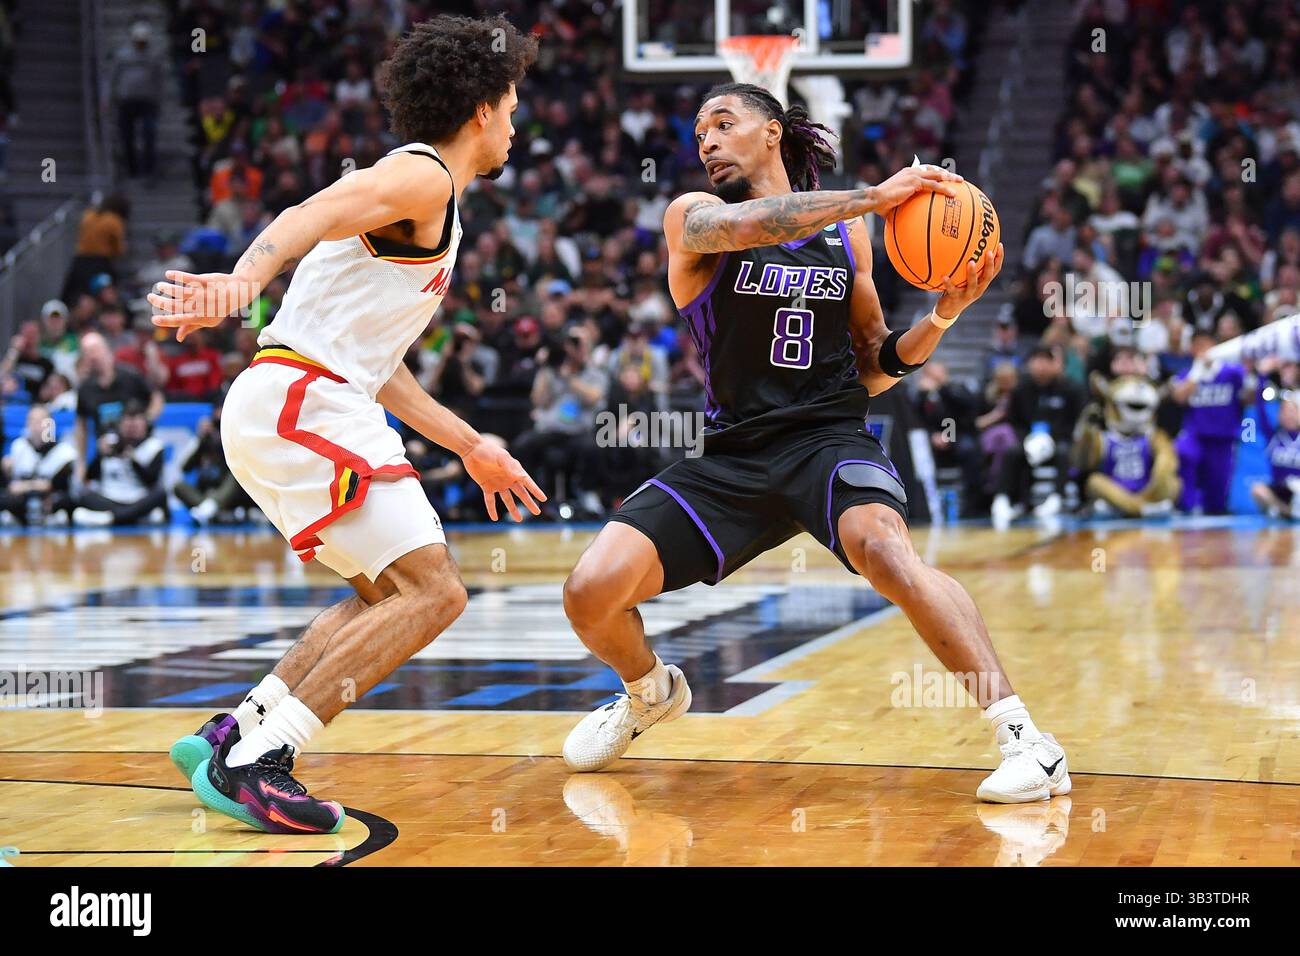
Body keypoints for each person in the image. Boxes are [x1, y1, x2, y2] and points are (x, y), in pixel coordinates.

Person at [559, 82, 1070, 804]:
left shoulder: (848, 238)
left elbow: (874, 363)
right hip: (732, 454)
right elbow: (750, 226)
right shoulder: (692, 217)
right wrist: (872, 196)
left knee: (886, 550)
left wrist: (942, 318)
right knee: (589, 594)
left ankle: (1027, 741)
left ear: (773, 131)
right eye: (699, 133)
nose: (707, 142)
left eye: (723, 124)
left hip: (827, 438)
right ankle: (649, 692)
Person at [148, 14, 543, 835]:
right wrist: (243, 280)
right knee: (435, 592)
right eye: (511, 105)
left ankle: (238, 729)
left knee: (386, 595)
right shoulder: (423, 175)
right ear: (481, 109)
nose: (516, 122)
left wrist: (471, 445)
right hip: (304, 399)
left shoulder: (428, 201)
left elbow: (380, 365)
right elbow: (315, 207)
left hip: (299, 398)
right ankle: (261, 762)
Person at [989, 345, 1086, 528]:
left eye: (1045, 360)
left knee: (1064, 453)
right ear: (1030, 364)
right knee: (1012, 452)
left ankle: (1056, 498)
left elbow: (1076, 420)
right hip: (1029, 439)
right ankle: (1004, 499)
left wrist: (1052, 439)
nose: (1041, 366)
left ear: (1054, 364)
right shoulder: (1021, 389)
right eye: (1037, 360)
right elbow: (1014, 421)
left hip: (1059, 441)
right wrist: (1028, 439)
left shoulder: (1070, 389)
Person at [1170, 329, 1253, 515]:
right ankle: (1186, 505)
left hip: (1222, 437)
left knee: (1217, 490)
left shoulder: (1232, 372)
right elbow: (1179, 398)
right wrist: (1197, 374)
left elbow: (1250, 399)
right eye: (1198, 346)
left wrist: (1250, 375)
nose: (1203, 351)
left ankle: (1213, 510)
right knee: (1184, 453)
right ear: (1192, 349)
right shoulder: (1187, 374)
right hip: (1195, 434)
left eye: (1207, 345)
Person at [70, 403, 168, 526]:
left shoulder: (153, 446)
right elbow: (90, 477)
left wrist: (132, 460)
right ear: (120, 424)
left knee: (160, 494)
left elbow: (152, 481)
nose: (131, 430)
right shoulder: (109, 442)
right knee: (83, 495)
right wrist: (100, 455)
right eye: (128, 425)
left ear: (145, 425)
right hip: (109, 497)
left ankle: (111, 518)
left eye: (136, 425)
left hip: (138, 498)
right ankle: (131, 517)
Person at [1, 405, 76, 525]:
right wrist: (7, 471)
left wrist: (30, 486)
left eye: (41, 421)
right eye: (32, 420)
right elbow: (13, 486)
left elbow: (52, 485)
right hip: (22, 501)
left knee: (68, 501)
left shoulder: (64, 451)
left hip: (51, 501)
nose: (36, 426)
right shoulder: (19, 446)